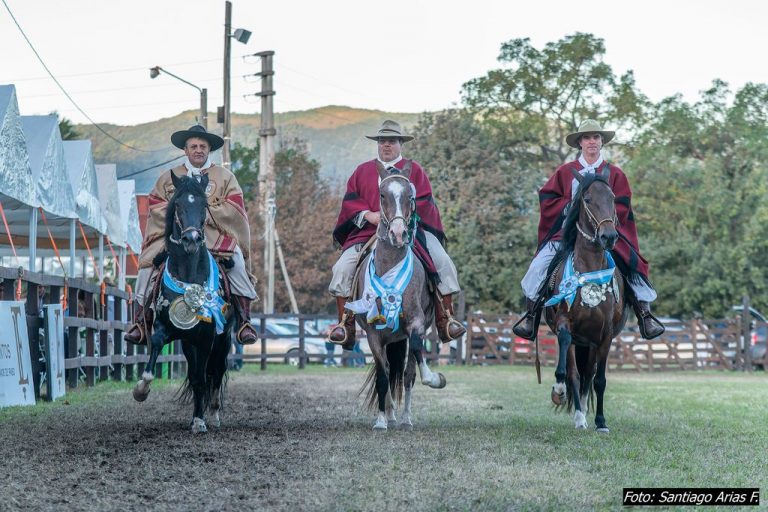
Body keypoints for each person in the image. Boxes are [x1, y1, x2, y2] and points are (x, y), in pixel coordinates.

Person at [513, 119, 665, 341]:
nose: (592, 141)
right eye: (587, 137)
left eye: (596, 137)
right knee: (538, 267)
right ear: (580, 143)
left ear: (602, 141)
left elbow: (623, 205)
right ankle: (531, 316)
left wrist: (608, 221)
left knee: (634, 266)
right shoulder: (565, 172)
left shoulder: (615, 174)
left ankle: (645, 315)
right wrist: (568, 206)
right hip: (567, 235)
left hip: (605, 235)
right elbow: (547, 199)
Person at [328, 120, 466, 349]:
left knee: (444, 262)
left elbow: (425, 202)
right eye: (383, 141)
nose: (386, 145)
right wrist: (367, 215)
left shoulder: (414, 170)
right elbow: (350, 202)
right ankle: (346, 324)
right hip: (369, 234)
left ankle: (445, 319)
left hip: (411, 231)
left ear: (400, 143)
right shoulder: (362, 171)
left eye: (392, 141)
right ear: (378, 144)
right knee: (342, 268)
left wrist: (406, 219)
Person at [124, 125, 259, 346]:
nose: (198, 150)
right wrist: (180, 214)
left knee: (237, 262)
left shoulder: (225, 177)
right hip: (176, 236)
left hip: (215, 234)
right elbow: (156, 206)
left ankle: (245, 321)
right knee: (146, 266)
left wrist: (204, 210)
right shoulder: (168, 178)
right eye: (193, 146)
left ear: (209, 150)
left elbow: (235, 209)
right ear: (185, 150)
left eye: (202, 146)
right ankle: (141, 321)